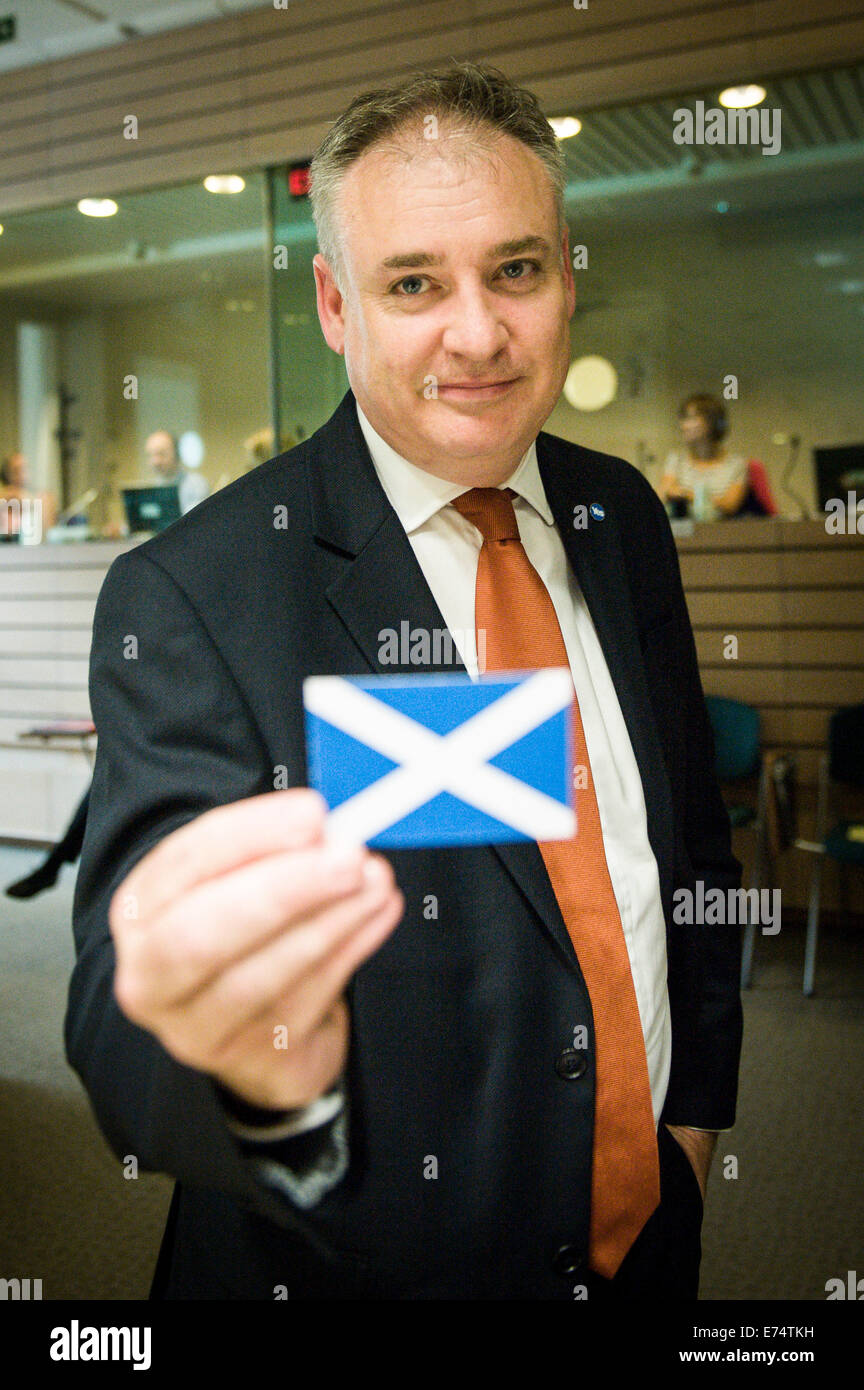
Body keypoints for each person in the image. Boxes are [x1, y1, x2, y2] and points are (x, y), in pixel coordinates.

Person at [66, 63, 742, 1301]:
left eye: (517, 269)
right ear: (335, 304)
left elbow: (686, 846)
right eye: (415, 282)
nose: (477, 332)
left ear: (566, 277)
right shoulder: (196, 595)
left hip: (646, 1239)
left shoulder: (620, 515)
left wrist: (694, 1125)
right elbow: (126, 1011)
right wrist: (214, 1035)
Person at [658, 394, 749, 519]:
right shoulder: (676, 459)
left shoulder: (735, 464)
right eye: (684, 419)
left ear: (712, 422)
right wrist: (712, 500)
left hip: (722, 532)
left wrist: (685, 495)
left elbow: (730, 505)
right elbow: (664, 495)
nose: (684, 426)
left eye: (692, 418)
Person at [144, 430, 209, 515]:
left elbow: (194, 520)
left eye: (161, 454)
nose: (155, 462)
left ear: (177, 453)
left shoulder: (196, 484)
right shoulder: (151, 488)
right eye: (151, 455)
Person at [0, 451, 57, 537]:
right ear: (7, 474)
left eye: (25, 469)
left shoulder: (43, 497)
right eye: (16, 470)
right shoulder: (5, 497)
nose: (21, 474)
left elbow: (49, 530)